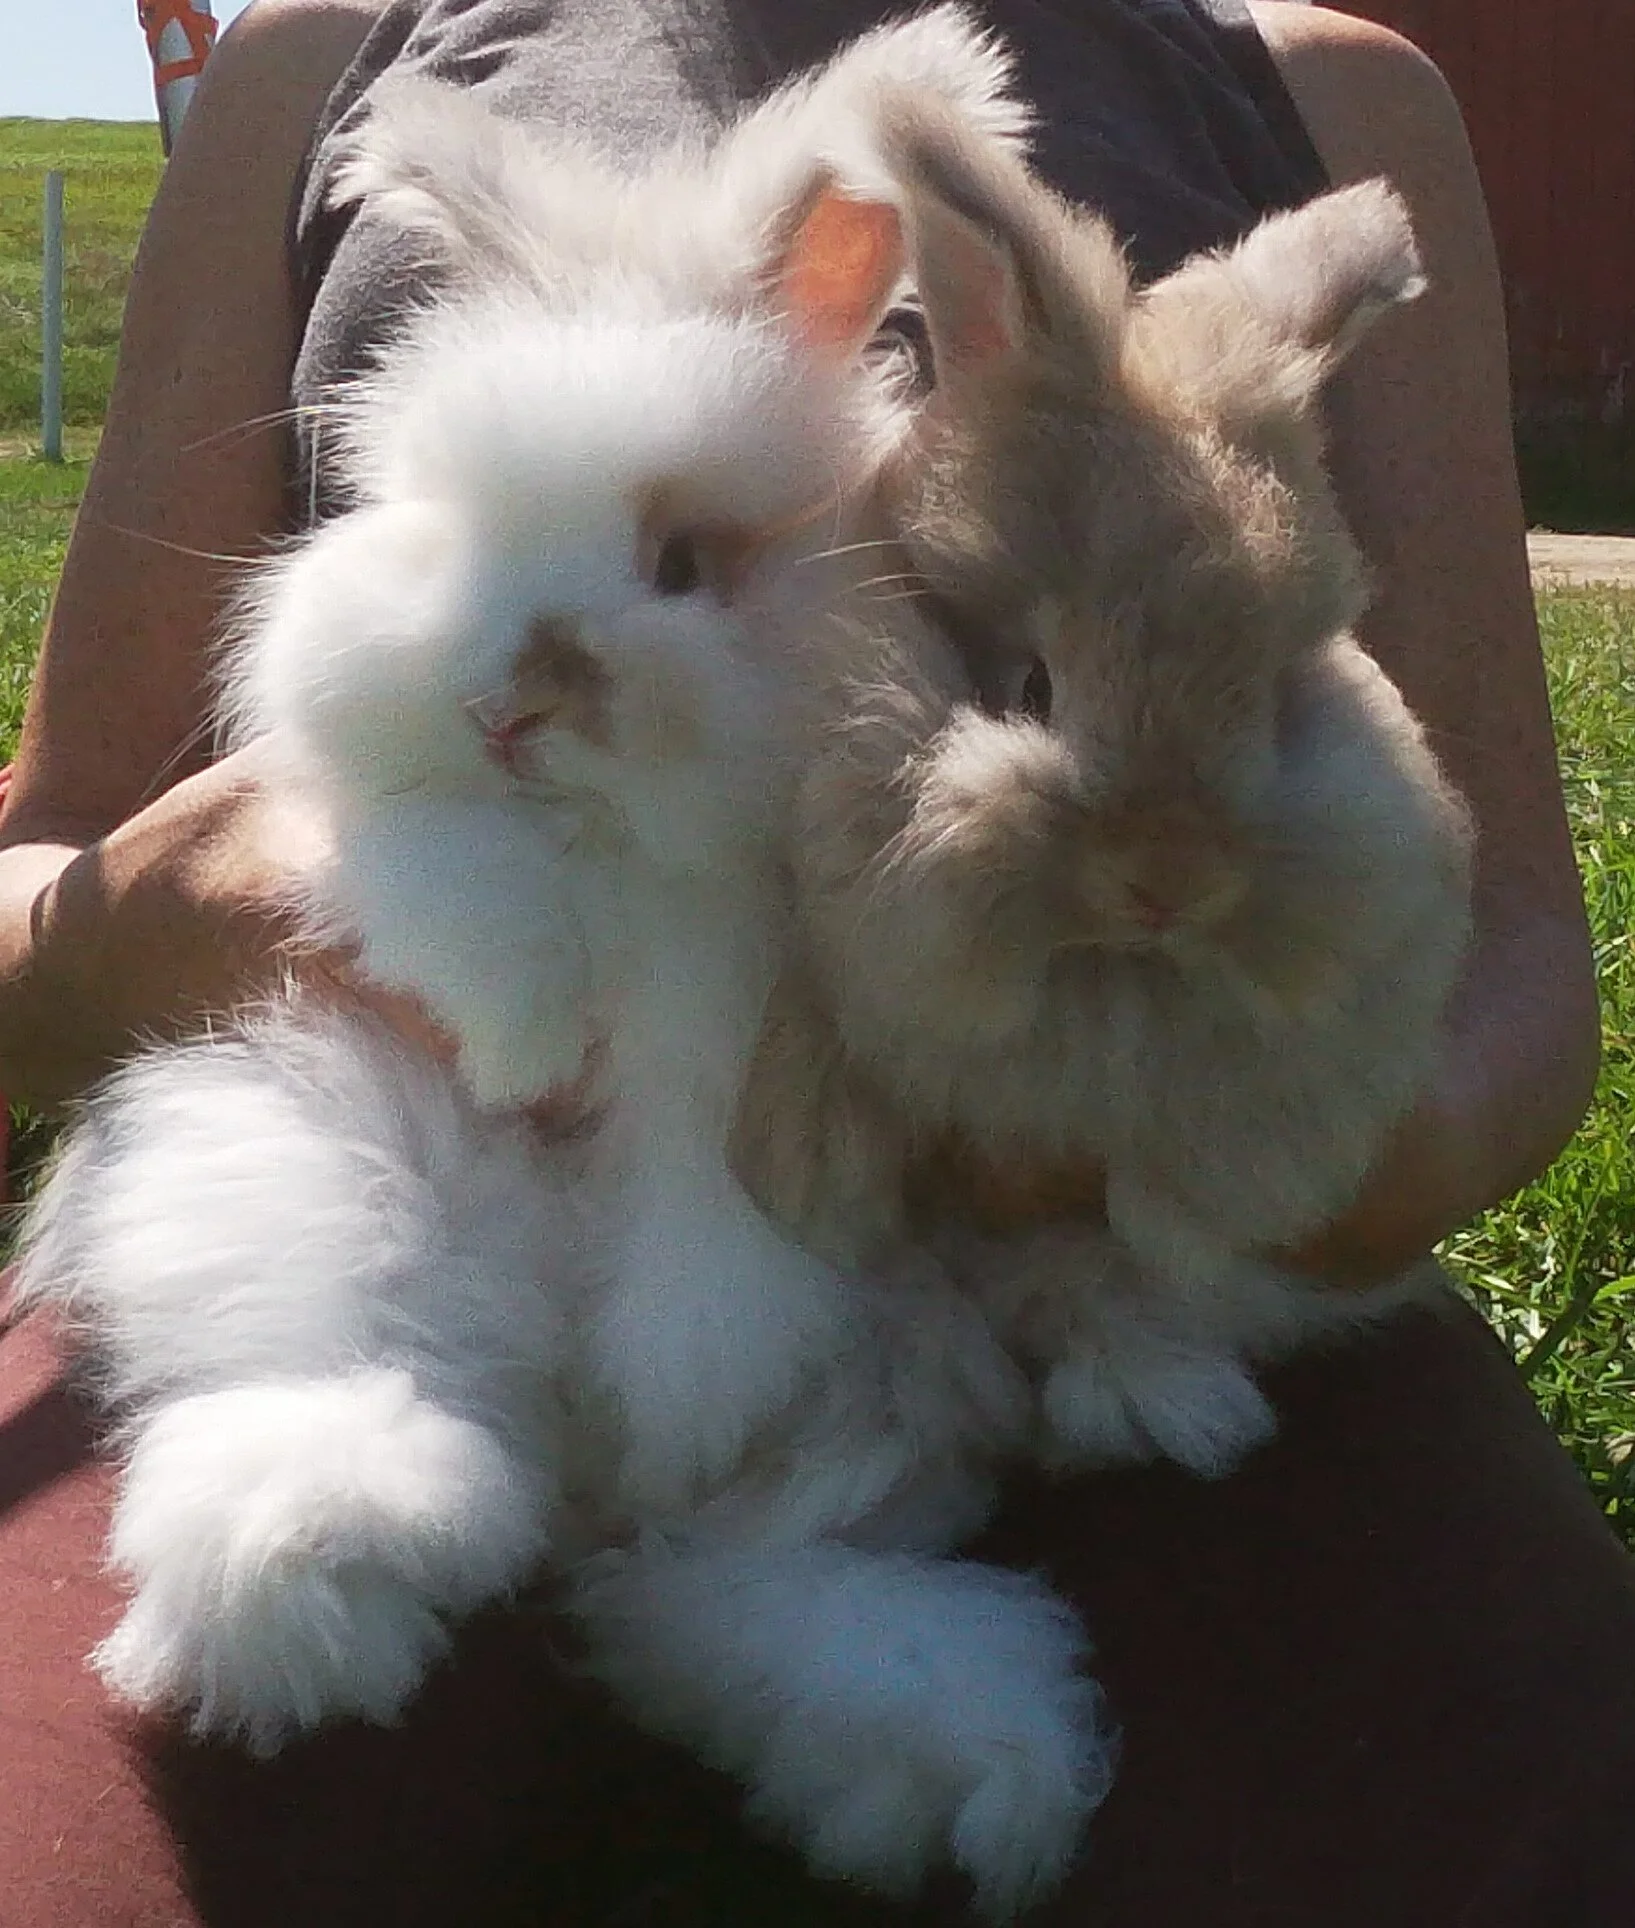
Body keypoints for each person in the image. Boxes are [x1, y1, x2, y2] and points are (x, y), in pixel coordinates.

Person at [0, 2, 1628, 1922]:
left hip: (1058, 1269)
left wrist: (1223, 1169)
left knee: (1513, 1826)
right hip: (416, 1204)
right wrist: (170, 898)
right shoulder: (331, 48)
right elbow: (40, 883)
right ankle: (352, 1433)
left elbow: (1512, 944)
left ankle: (789, 1585)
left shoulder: (1322, 85)